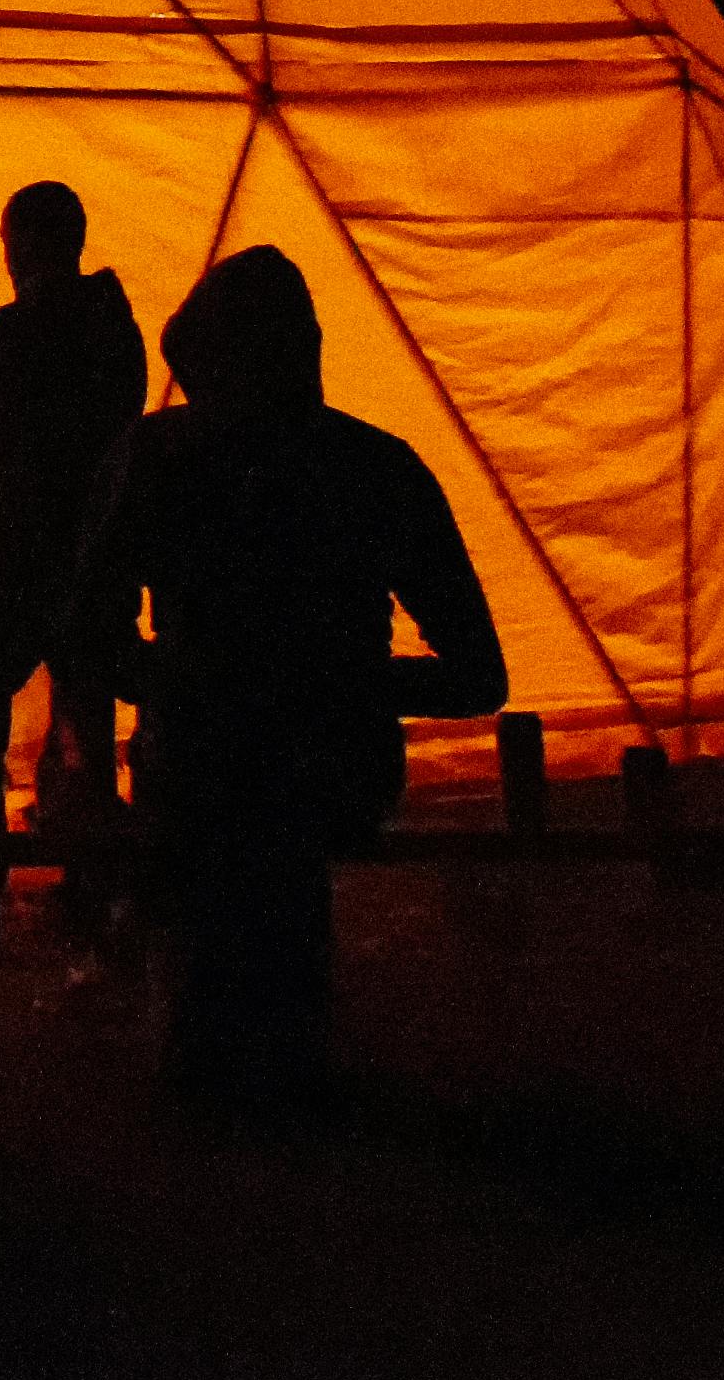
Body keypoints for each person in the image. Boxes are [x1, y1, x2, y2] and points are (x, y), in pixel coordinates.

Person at [74, 245, 504, 1107]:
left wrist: (175, 678)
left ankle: (212, 1052)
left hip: (202, 758)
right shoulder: (374, 465)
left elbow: (87, 628)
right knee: (270, 868)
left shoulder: (160, 455)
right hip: (331, 765)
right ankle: (270, 1057)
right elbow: (476, 675)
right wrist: (344, 683)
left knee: (216, 845)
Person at [0, 182, 149, 955]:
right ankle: (91, 892)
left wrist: (25, 456)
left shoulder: (15, 327)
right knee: (84, 719)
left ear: (22, 243)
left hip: (23, 544)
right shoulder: (115, 330)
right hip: (95, 547)